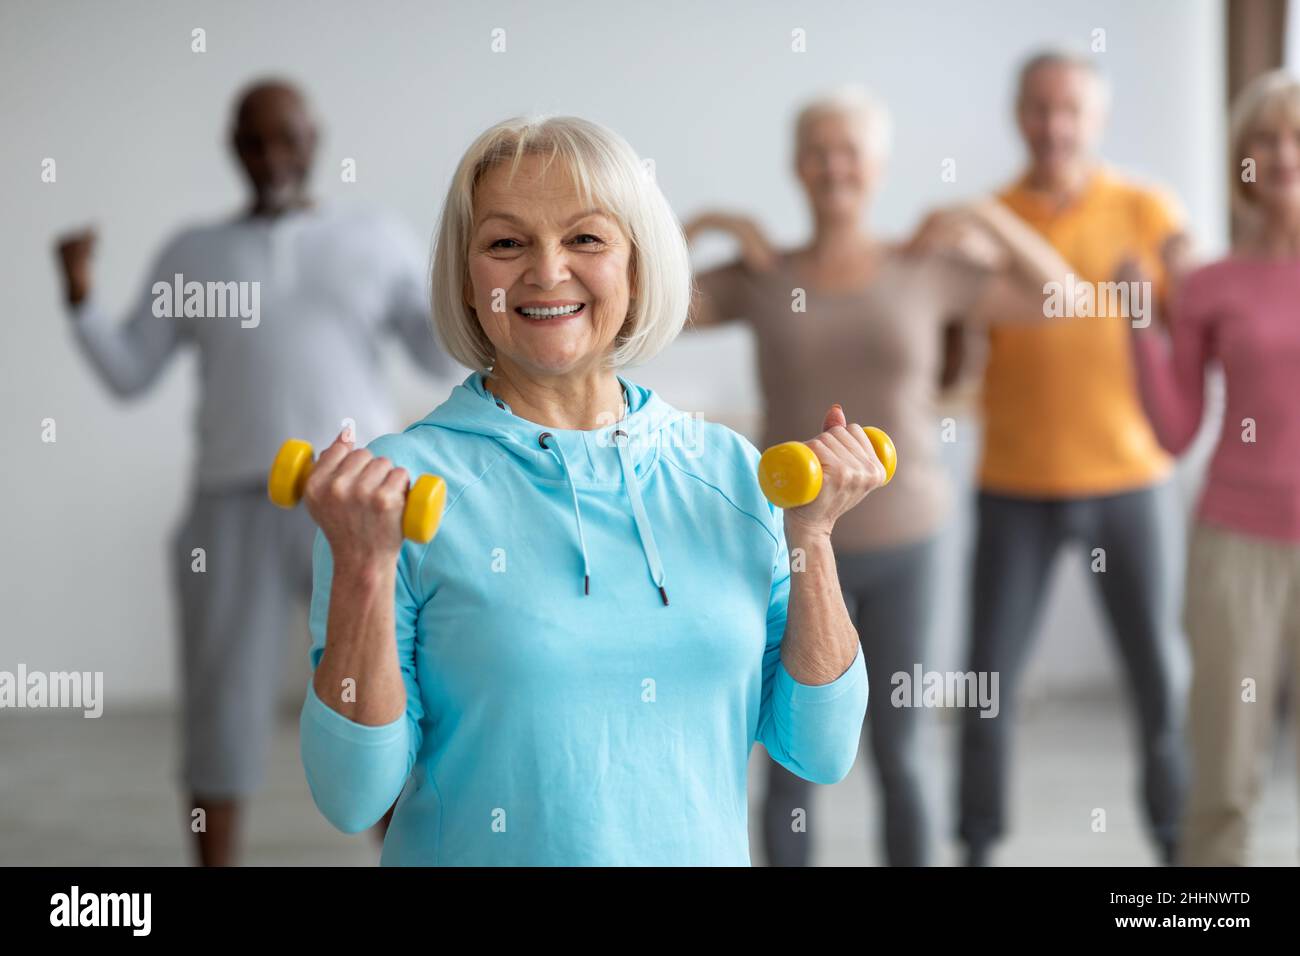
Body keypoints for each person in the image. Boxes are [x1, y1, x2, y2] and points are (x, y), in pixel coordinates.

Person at [297, 114, 886, 865]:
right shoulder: (395, 492)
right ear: (468, 281)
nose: (546, 272)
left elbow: (822, 751)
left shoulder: (731, 473)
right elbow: (352, 796)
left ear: (636, 268)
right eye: (506, 243)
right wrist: (363, 568)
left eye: (586, 238)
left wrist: (812, 537)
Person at [52, 78, 458, 866]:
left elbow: (435, 353)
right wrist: (78, 298)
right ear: (234, 148)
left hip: (358, 505)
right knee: (221, 706)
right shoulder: (192, 252)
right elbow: (131, 371)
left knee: (380, 696)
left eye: (287, 137)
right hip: (229, 508)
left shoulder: (376, 237)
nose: (272, 155)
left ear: (316, 140)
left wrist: (470, 287)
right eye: (254, 140)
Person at [684, 85, 1075, 866]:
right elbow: (638, 300)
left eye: (850, 150)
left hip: (907, 538)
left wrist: (985, 217)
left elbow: (1064, 297)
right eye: (819, 151)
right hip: (790, 546)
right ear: (797, 166)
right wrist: (711, 224)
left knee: (899, 752)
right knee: (791, 759)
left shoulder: (926, 268)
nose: (835, 167)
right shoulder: (764, 274)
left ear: (879, 165)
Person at [956, 50, 1190, 866]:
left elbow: (1191, 318)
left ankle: (1177, 850)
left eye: (1069, 110)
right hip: (1013, 486)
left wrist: (1157, 291)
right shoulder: (989, 218)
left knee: (1159, 677)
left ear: (1095, 118)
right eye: (1038, 108)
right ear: (1018, 114)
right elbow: (954, 345)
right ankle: (979, 845)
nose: (1053, 125)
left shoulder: (1146, 209)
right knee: (987, 685)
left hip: (1129, 481)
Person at [1131, 69, 1300, 866]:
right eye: (1264, 139)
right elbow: (1173, 430)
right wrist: (1138, 325)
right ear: (1242, 160)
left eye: (1296, 136)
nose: (1282, 153)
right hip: (1235, 546)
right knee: (1226, 780)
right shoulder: (1210, 285)